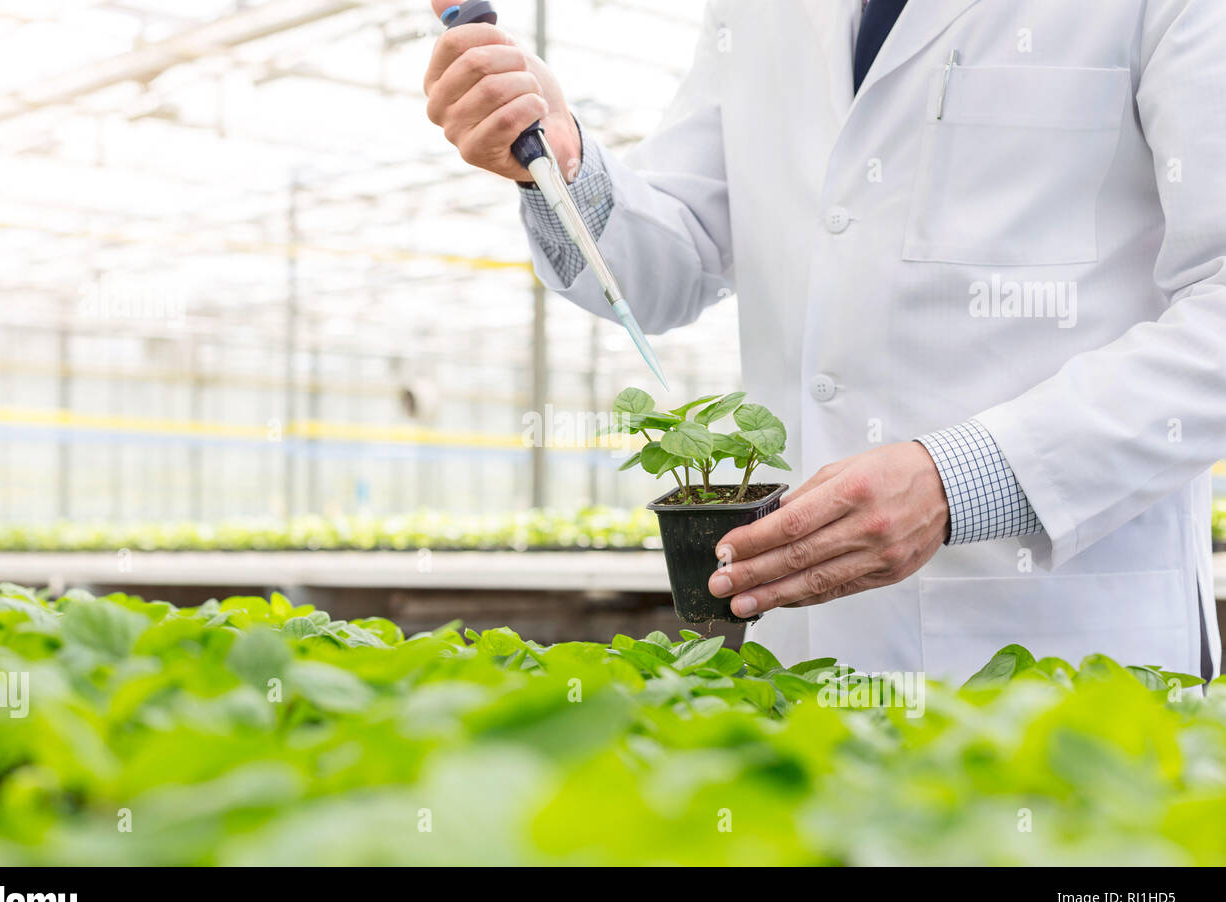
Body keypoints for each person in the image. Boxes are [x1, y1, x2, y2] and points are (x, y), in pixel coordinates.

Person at [423, 0, 1225, 681]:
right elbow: (673, 255)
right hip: (811, 649)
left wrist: (964, 481)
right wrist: (560, 171)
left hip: (1067, 644)